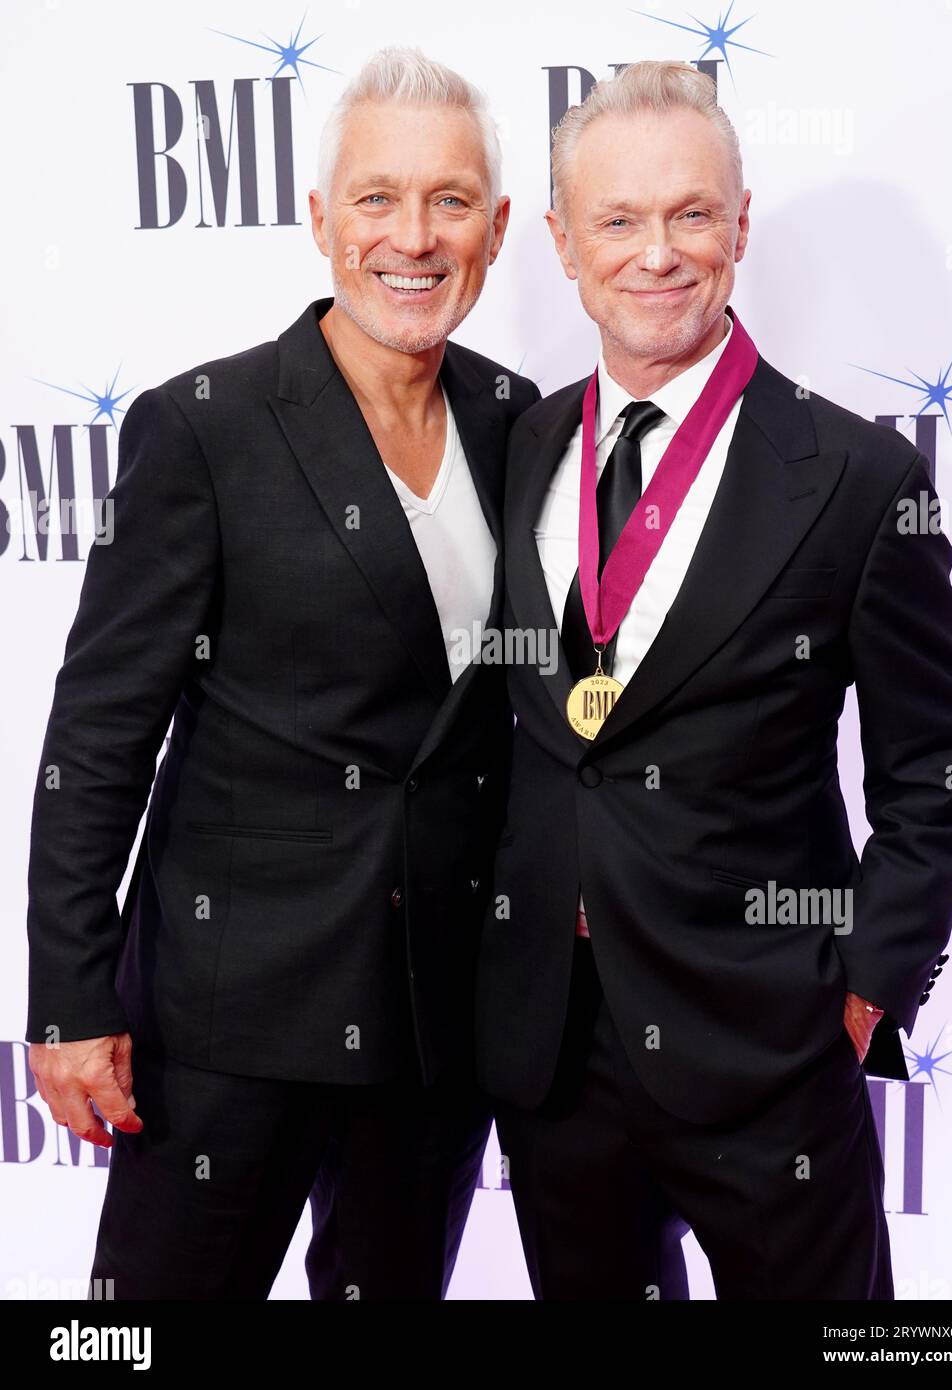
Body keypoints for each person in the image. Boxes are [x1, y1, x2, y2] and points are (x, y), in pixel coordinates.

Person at [475, 60, 952, 1300]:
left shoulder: (858, 477)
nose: (657, 253)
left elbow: (940, 770)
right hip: (554, 1051)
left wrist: (865, 990)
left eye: (691, 214)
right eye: (619, 220)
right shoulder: (517, 447)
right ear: (561, 241)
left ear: (741, 223)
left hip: (771, 1048)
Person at [25, 46, 538, 1300]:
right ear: (319, 219)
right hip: (226, 1020)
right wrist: (67, 1004)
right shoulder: (204, 426)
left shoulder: (522, 422)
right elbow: (98, 733)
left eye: (449, 200)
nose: (411, 236)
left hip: (432, 1026)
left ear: (499, 227)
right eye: (376, 198)